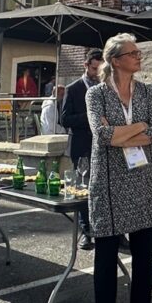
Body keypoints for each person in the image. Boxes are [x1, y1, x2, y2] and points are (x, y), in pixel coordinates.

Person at [86, 33, 152, 303]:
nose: (139, 57)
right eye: (132, 53)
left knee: (143, 261)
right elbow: (101, 135)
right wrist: (137, 128)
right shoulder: (96, 95)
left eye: (138, 52)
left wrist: (122, 134)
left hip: (142, 180)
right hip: (107, 184)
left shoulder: (146, 91)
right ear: (116, 60)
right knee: (105, 261)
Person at [60, 49, 104, 250]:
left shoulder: (105, 87)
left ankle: (111, 232)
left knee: (103, 190)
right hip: (81, 147)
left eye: (100, 68)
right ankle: (86, 232)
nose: (97, 72)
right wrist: (89, 116)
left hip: (102, 147)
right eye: (95, 68)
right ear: (86, 65)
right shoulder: (74, 88)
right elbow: (64, 119)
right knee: (83, 190)